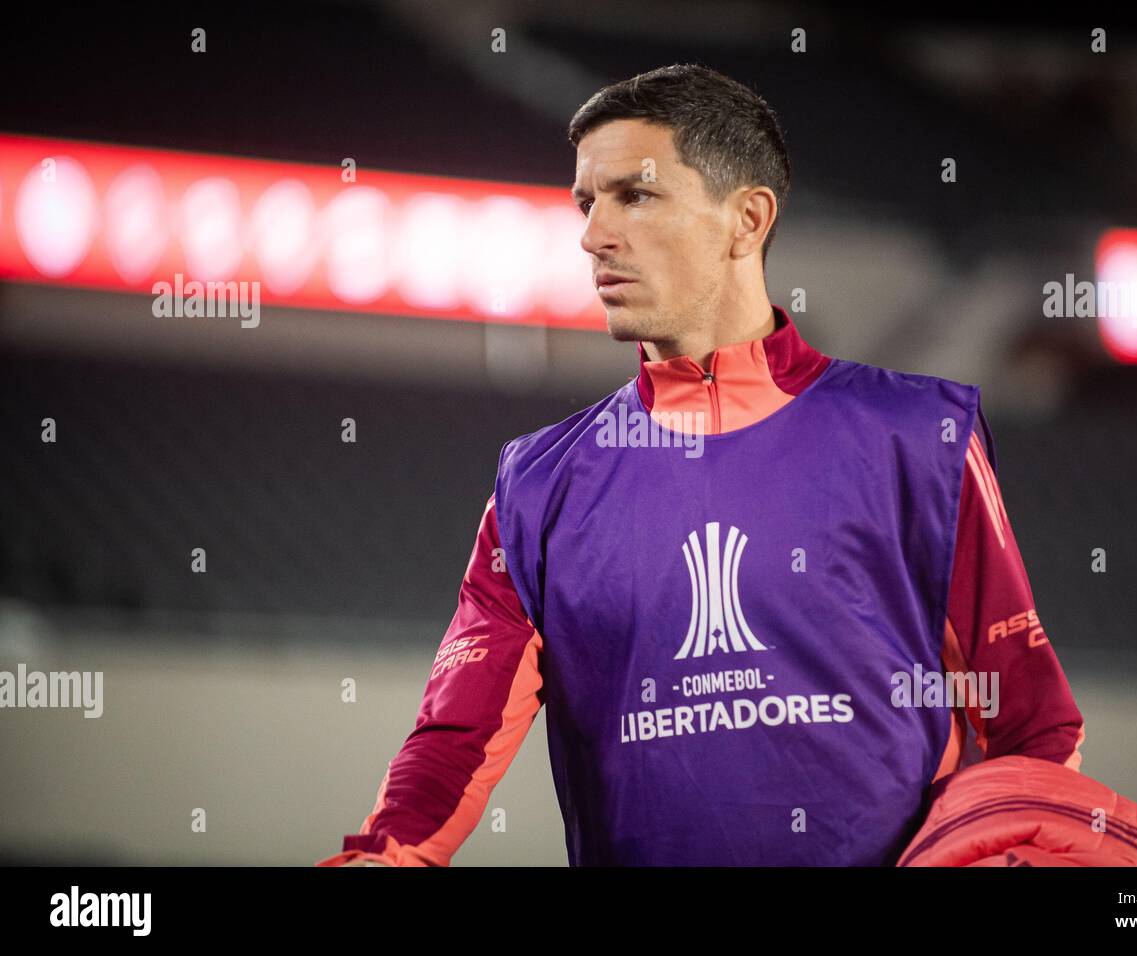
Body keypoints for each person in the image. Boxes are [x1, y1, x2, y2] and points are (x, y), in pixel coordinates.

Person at [317, 63, 1084, 868]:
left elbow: (1027, 724)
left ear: (745, 220)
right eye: (587, 202)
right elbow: (453, 738)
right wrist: (384, 856)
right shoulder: (537, 487)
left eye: (635, 196)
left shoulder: (918, 437)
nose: (593, 235)